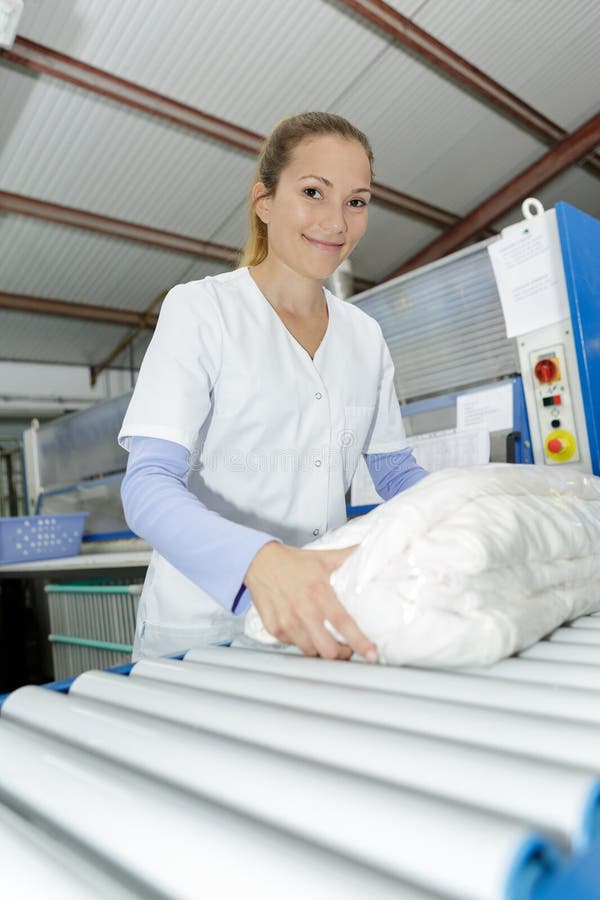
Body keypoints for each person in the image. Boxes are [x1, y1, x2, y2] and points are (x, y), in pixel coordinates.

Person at [119, 111, 428, 662]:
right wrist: (259, 562)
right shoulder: (202, 309)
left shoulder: (365, 335)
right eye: (314, 192)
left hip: (314, 620)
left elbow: (395, 472)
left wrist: (474, 510)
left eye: (356, 201)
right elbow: (147, 486)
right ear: (265, 201)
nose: (337, 221)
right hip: (201, 630)